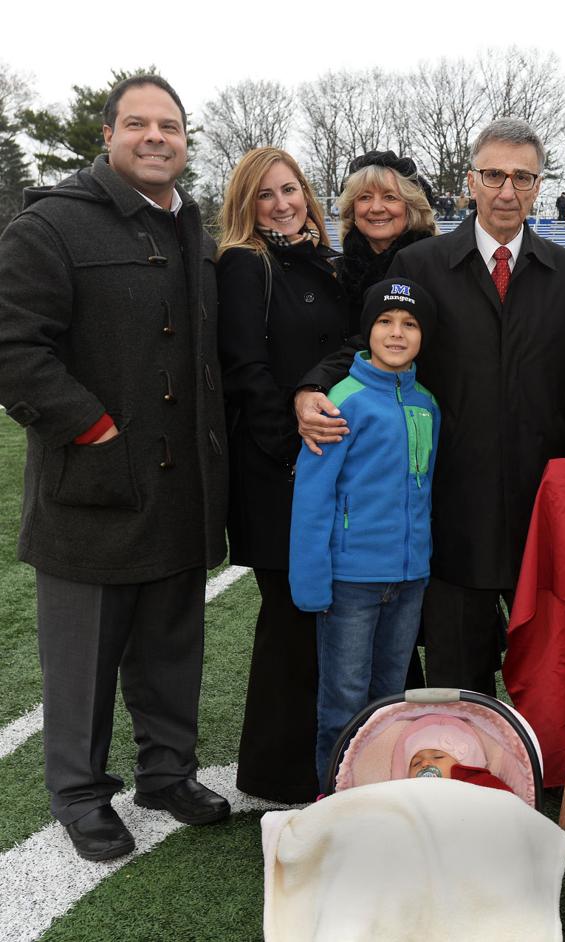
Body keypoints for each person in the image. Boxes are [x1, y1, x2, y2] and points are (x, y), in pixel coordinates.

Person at [0, 75, 229, 861]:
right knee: (84, 662)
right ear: (108, 135)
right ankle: (79, 795)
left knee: (172, 651)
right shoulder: (51, 226)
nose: (156, 136)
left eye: (171, 124)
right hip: (92, 496)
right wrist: (91, 428)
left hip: (180, 494)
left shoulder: (196, 228)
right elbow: (12, 348)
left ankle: (167, 773)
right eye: (139, 123)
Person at [294, 118, 565, 699]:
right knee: (457, 668)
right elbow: (376, 347)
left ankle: (553, 770)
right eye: (493, 175)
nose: (507, 190)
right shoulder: (422, 265)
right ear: (470, 181)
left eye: (522, 177)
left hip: (542, 501)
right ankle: (462, 776)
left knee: (550, 663)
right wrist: (310, 388)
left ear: (539, 185)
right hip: (450, 502)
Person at [217, 147, 348, 803]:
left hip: (331, 469)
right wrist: (289, 452)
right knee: (292, 623)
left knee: (329, 618)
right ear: (246, 204)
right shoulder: (246, 264)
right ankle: (278, 774)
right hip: (282, 476)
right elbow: (245, 369)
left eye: (290, 189)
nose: (281, 203)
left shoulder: (326, 262)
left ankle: (336, 759)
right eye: (264, 194)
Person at [290, 278, 439, 783]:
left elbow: (423, 490)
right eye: (385, 321)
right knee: (343, 704)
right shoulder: (341, 400)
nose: (397, 333)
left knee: (389, 701)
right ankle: (334, 806)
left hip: (409, 580)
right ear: (367, 329)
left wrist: (420, 561)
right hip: (350, 584)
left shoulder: (427, 404)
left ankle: (378, 800)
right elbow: (313, 496)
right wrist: (312, 585)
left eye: (410, 324)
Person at [334, 150, 438, 314]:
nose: (376, 208)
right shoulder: (333, 275)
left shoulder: (437, 271)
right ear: (352, 209)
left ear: (411, 207)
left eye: (390, 197)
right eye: (365, 197)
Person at [402, 715, 514, 793]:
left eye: (438, 757)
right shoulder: (407, 793)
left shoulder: (482, 783)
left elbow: (506, 804)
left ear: (463, 762)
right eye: (416, 763)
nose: (425, 763)